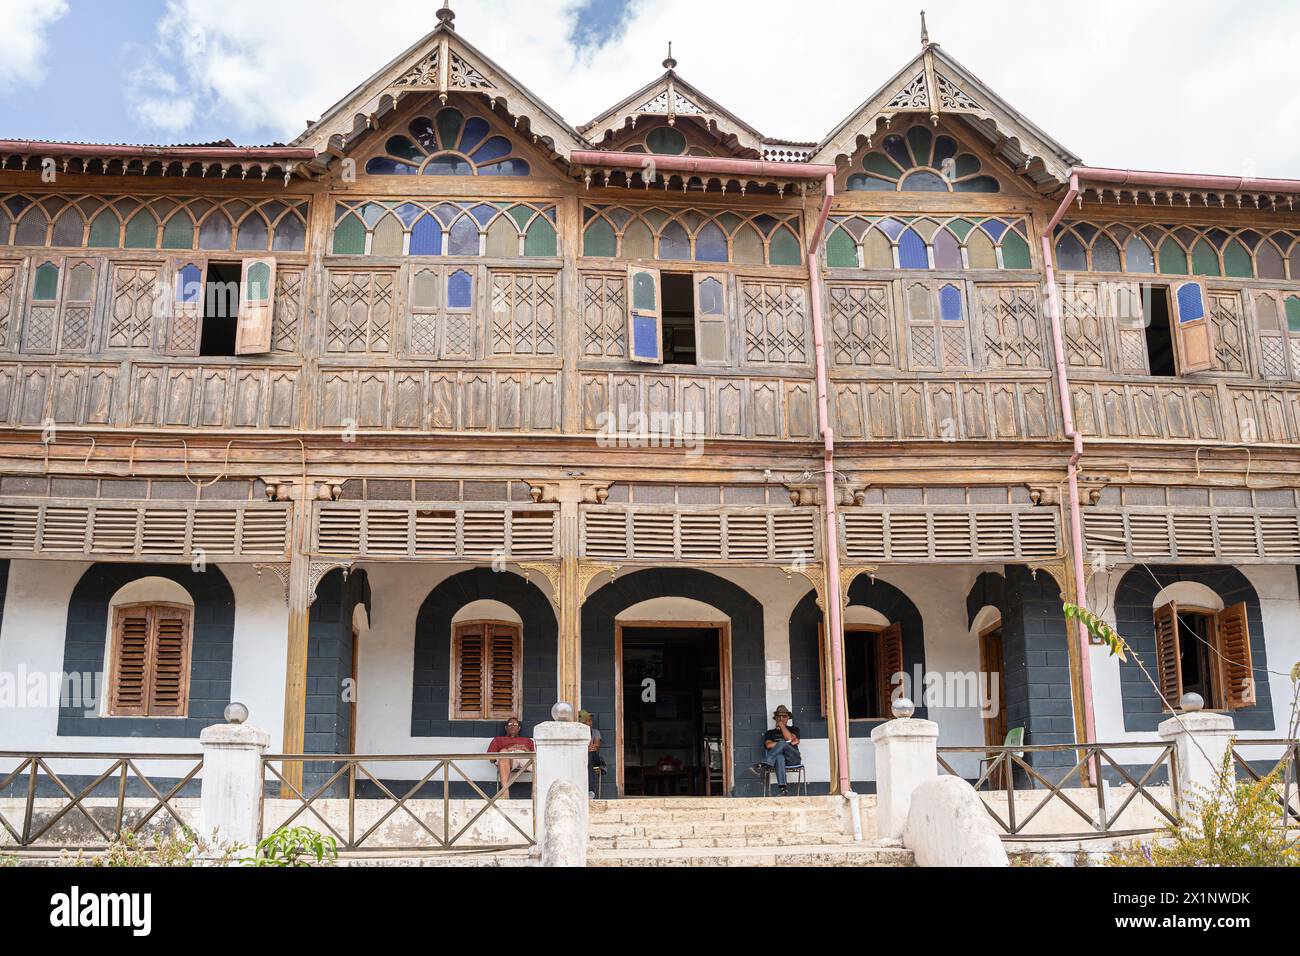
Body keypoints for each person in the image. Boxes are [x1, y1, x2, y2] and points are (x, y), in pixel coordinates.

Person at [751, 705, 802, 795]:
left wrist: (782, 726)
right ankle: (783, 788)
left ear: (788, 718)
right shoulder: (770, 733)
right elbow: (768, 745)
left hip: (793, 758)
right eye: (779, 716)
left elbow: (790, 738)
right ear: (776, 718)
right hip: (779, 761)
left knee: (782, 743)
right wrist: (787, 742)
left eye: (784, 716)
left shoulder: (794, 729)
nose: (781, 718)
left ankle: (763, 764)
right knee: (779, 756)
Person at [487, 717, 534, 797]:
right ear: (506, 728)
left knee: (539, 763)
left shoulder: (528, 740)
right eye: (510, 724)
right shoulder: (498, 740)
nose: (512, 726)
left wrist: (525, 749)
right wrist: (508, 750)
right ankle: (505, 792)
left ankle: (535, 794)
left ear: (519, 728)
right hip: (509, 757)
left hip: (525, 757)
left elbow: (538, 757)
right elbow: (491, 759)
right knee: (503, 752)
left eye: (515, 724)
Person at [579, 710, 607, 798]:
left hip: (594, 758)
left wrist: (586, 749)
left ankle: (590, 791)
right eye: (588, 721)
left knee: (590, 757)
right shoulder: (578, 733)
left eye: (591, 720)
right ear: (582, 722)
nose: (590, 723)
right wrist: (586, 749)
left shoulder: (595, 732)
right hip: (580, 758)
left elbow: (596, 747)